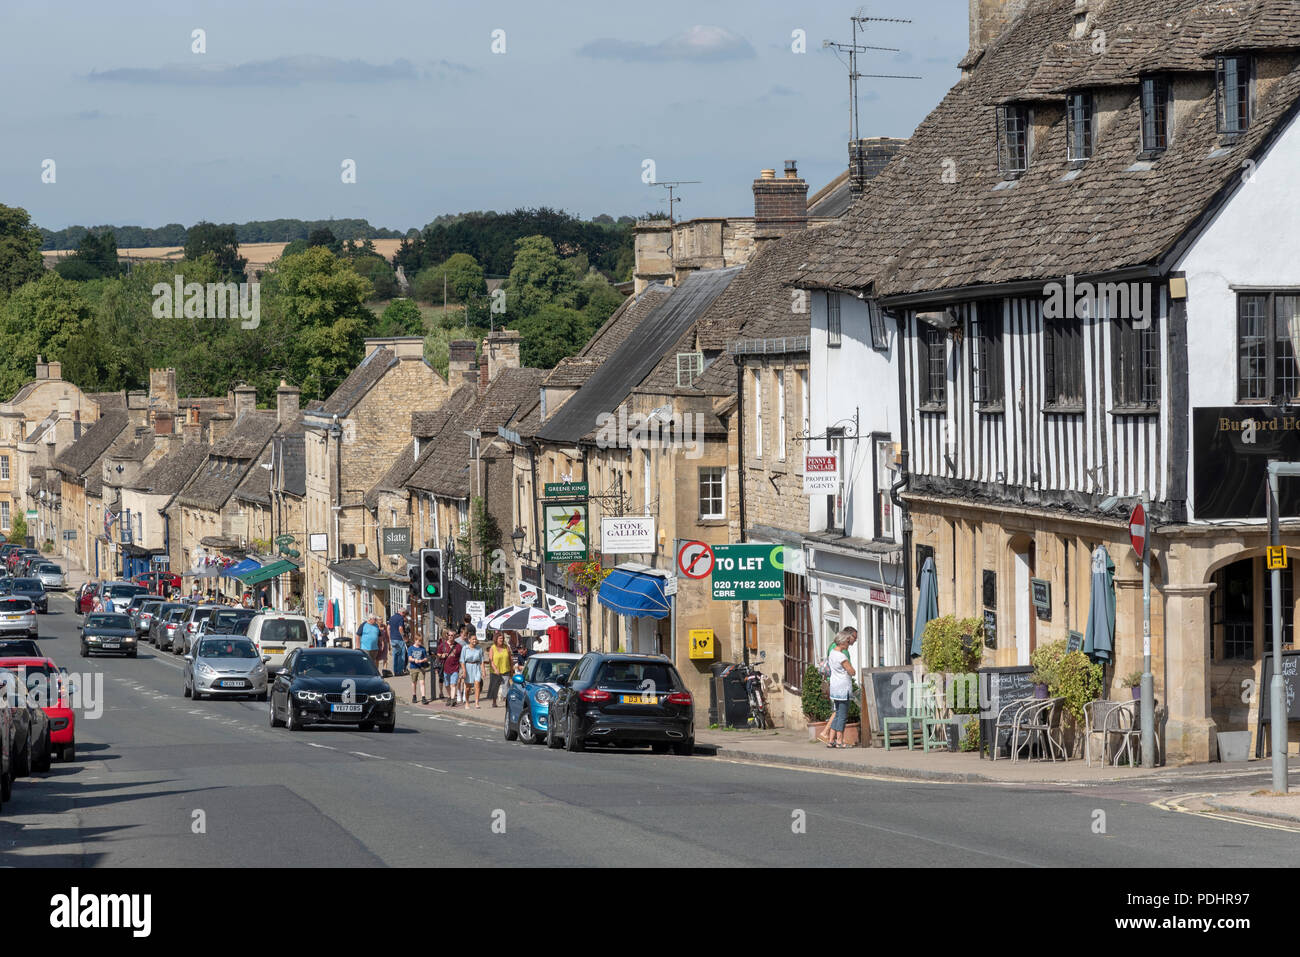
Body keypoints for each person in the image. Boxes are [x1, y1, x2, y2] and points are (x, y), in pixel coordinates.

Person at [826, 630, 857, 749]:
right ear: (843, 642)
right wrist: (852, 670)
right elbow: (852, 671)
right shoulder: (841, 656)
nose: (849, 644)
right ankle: (839, 741)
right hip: (843, 687)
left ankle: (830, 740)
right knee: (842, 715)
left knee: (838, 714)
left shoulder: (832, 653)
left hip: (834, 687)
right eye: (848, 642)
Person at [487, 633, 512, 707]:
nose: (502, 640)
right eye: (500, 638)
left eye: (502, 638)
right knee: (495, 687)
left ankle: (507, 701)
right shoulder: (492, 648)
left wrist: (511, 669)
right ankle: (494, 702)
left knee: (506, 686)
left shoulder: (506, 647)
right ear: (496, 639)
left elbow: (510, 658)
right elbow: (490, 660)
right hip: (495, 671)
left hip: (505, 669)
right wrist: (495, 669)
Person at [461, 634, 485, 708]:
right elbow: (462, 661)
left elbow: (482, 661)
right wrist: (464, 671)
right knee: (467, 687)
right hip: (468, 667)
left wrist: (483, 671)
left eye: (475, 639)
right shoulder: (465, 648)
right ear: (469, 640)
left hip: (476, 666)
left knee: (477, 684)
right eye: (473, 639)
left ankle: (477, 703)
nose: (474, 641)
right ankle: (467, 702)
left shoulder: (479, 649)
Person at [407, 635, 431, 704]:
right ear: (415, 640)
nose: (420, 642)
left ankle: (423, 697)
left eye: (421, 640)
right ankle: (414, 695)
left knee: (422, 682)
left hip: (421, 668)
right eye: (419, 641)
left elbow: (426, 658)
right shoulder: (411, 648)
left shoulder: (422, 649)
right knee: (414, 682)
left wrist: (422, 660)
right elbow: (409, 658)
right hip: (413, 667)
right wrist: (414, 660)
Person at [441, 630, 462, 707]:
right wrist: (441, 655)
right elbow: (438, 654)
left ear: (455, 636)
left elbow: (461, 657)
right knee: (447, 685)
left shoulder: (458, 646)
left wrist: (462, 667)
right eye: (449, 635)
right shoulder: (443, 645)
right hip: (446, 669)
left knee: (453, 684)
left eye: (452, 635)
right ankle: (450, 697)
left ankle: (453, 699)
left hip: (455, 668)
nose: (450, 637)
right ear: (447, 635)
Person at [389, 607, 408, 677]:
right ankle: (400, 671)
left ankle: (395, 671)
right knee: (401, 656)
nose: (405, 616)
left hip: (393, 638)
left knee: (395, 656)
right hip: (399, 639)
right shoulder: (400, 618)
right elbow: (400, 628)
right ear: (402, 613)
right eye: (405, 614)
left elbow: (389, 628)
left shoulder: (392, 617)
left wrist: (390, 637)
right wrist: (403, 637)